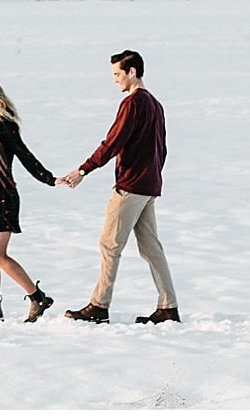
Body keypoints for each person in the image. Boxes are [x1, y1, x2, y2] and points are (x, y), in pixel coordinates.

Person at [57, 49, 180, 324]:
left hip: (132, 186)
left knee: (109, 244)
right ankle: (168, 307)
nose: (114, 80)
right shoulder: (156, 104)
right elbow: (162, 148)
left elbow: (112, 142)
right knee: (151, 248)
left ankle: (99, 306)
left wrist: (83, 170)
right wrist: (152, 177)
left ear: (132, 71)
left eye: (117, 74)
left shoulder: (132, 103)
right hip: (148, 186)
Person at [0, 78, 57, 324]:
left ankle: (38, 297)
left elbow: (25, 156)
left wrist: (49, 179)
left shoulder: (4, 127)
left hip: (2, 197)